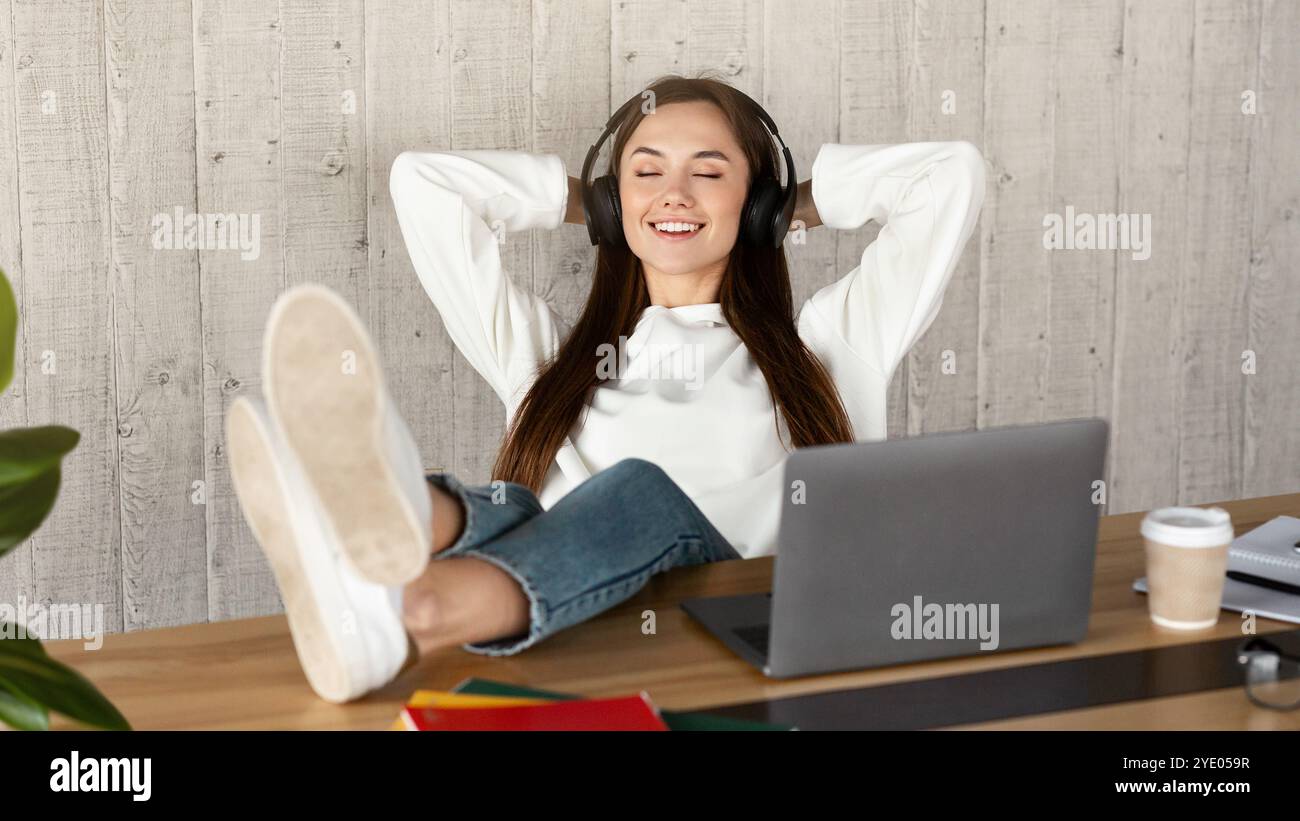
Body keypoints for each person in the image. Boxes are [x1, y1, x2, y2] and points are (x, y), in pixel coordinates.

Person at [225, 73, 986, 703]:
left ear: (754, 202)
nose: (674, 193)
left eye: (710, 173)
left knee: (636, 492)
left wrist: (792, 206)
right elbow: (422, 183)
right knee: (511, 507)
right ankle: (394, 526)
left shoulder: (829, 346)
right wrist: (590, 204)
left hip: (738, 644)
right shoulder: (556, 359)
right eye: (646, 172)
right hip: (580, 646)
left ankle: (414, 607)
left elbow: (949, 175)